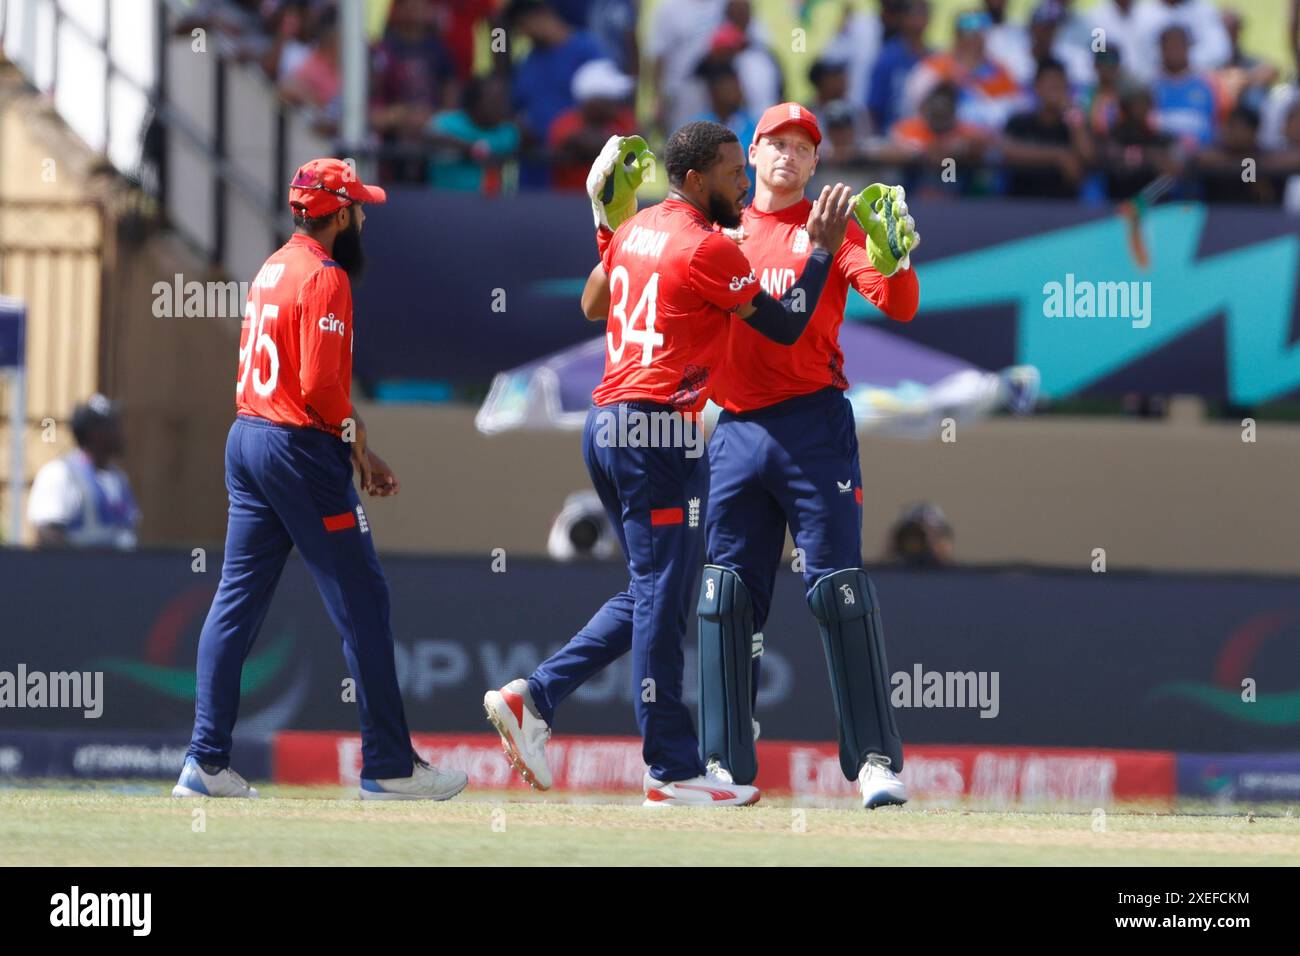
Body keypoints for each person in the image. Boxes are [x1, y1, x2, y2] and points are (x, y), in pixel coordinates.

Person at [484, 122, 858, 807]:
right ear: (693, 180)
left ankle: (534, 697)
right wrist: (821, 254)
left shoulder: (638, 228)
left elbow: (593, 302)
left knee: (648, 591)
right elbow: (784, 324)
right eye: (729, 172)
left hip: (605, 425)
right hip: (661, 431)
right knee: (661, 603)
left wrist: (604, 225)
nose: (742, 184)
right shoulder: (709, 248)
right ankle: (669, 768)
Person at [175, 158, 468, 802]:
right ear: (336, 214)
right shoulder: (326, 276)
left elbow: (303, 384)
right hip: (297, 449)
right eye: (357, 208)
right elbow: (319, 386)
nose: (363, 217)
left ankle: (205, 761)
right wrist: (351, 443)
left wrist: (361, 445)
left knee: (235, 602)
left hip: (249, 438)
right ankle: (389, 767)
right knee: (363, 599)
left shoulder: (273, 267)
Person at [698, 104, 921, 810]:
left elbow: (898, 304)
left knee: (838, 591)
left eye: (803, 147)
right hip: (734, 430)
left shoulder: (832, 228)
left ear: (816, 164)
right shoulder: (718, 231)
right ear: (753, 155)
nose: (789, 155)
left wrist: (899, 255)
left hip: (813, 426)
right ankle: (724, 767)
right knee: (725, 595)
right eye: (777, 144)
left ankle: (875, 763)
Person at [27, 394, 140, 550]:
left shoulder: (118, 479)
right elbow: (47, 533)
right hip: (77, 571)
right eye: (113, 425)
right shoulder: (61, 473)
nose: (120, 431)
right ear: (94, 433)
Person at [1001, 58, 1096, 199]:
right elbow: (1008, 152)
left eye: (1059, 84)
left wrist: (1072, 113)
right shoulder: (1019, 122)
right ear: (1037, 87)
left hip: (1066, 207)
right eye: (1049, 84)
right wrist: (1058, 156)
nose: (1055, 90)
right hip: (1020, 204)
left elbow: (1088, 156)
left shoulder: (1075, 123)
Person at [547, 59, 638, 190]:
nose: (615, 102)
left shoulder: (621, 119)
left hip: (612, 206)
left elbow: (639, 141)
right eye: (609, 98)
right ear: (593, 102)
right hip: (570, 202)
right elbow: (584, 142)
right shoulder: (566, 123)